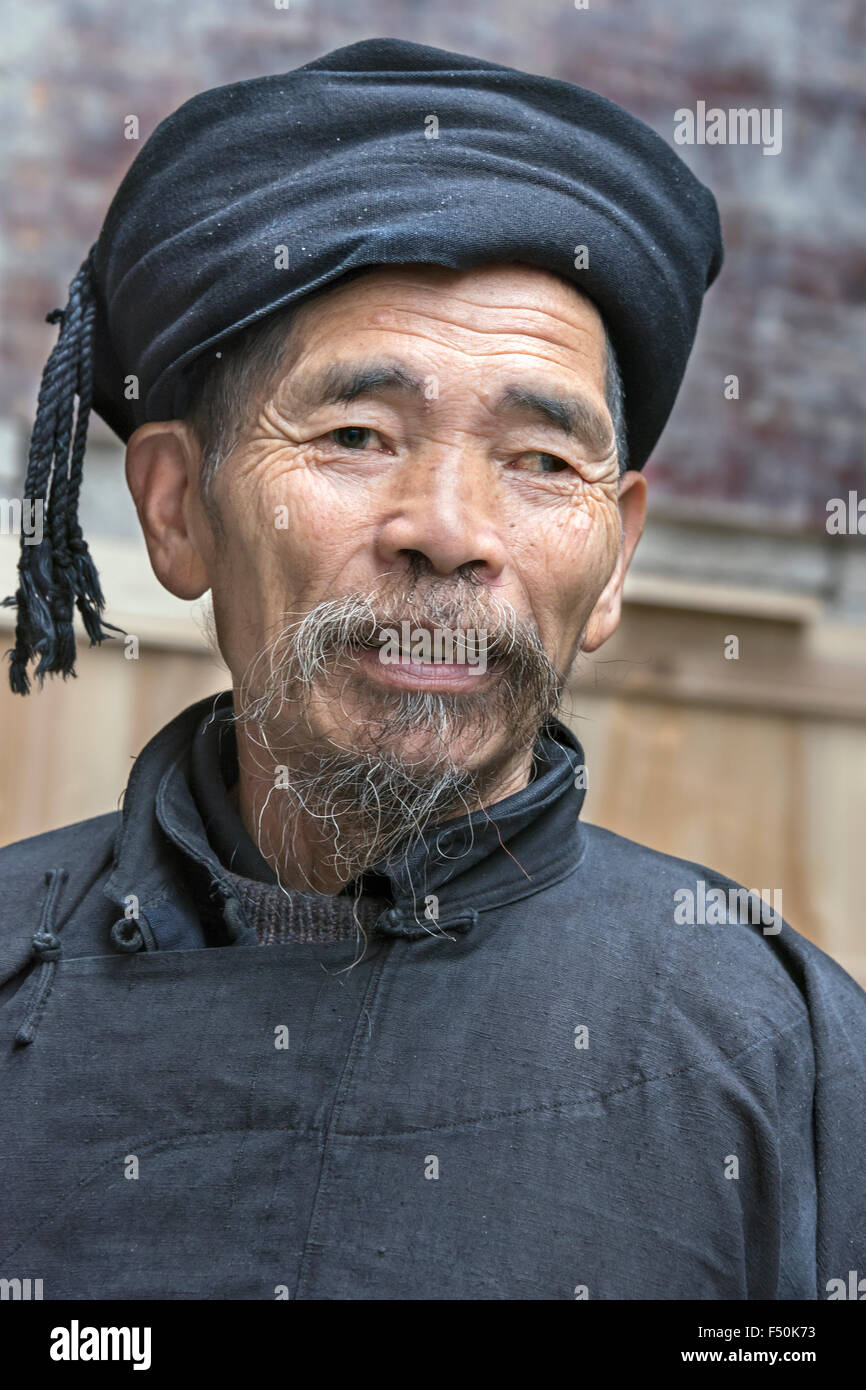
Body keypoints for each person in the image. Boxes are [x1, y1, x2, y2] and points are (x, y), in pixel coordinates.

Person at [1, 37, 863, 1301]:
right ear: (179, 509)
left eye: (538, 459)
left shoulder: (784, 1055)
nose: (449, 531)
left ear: (614, 557)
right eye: (356, 434)